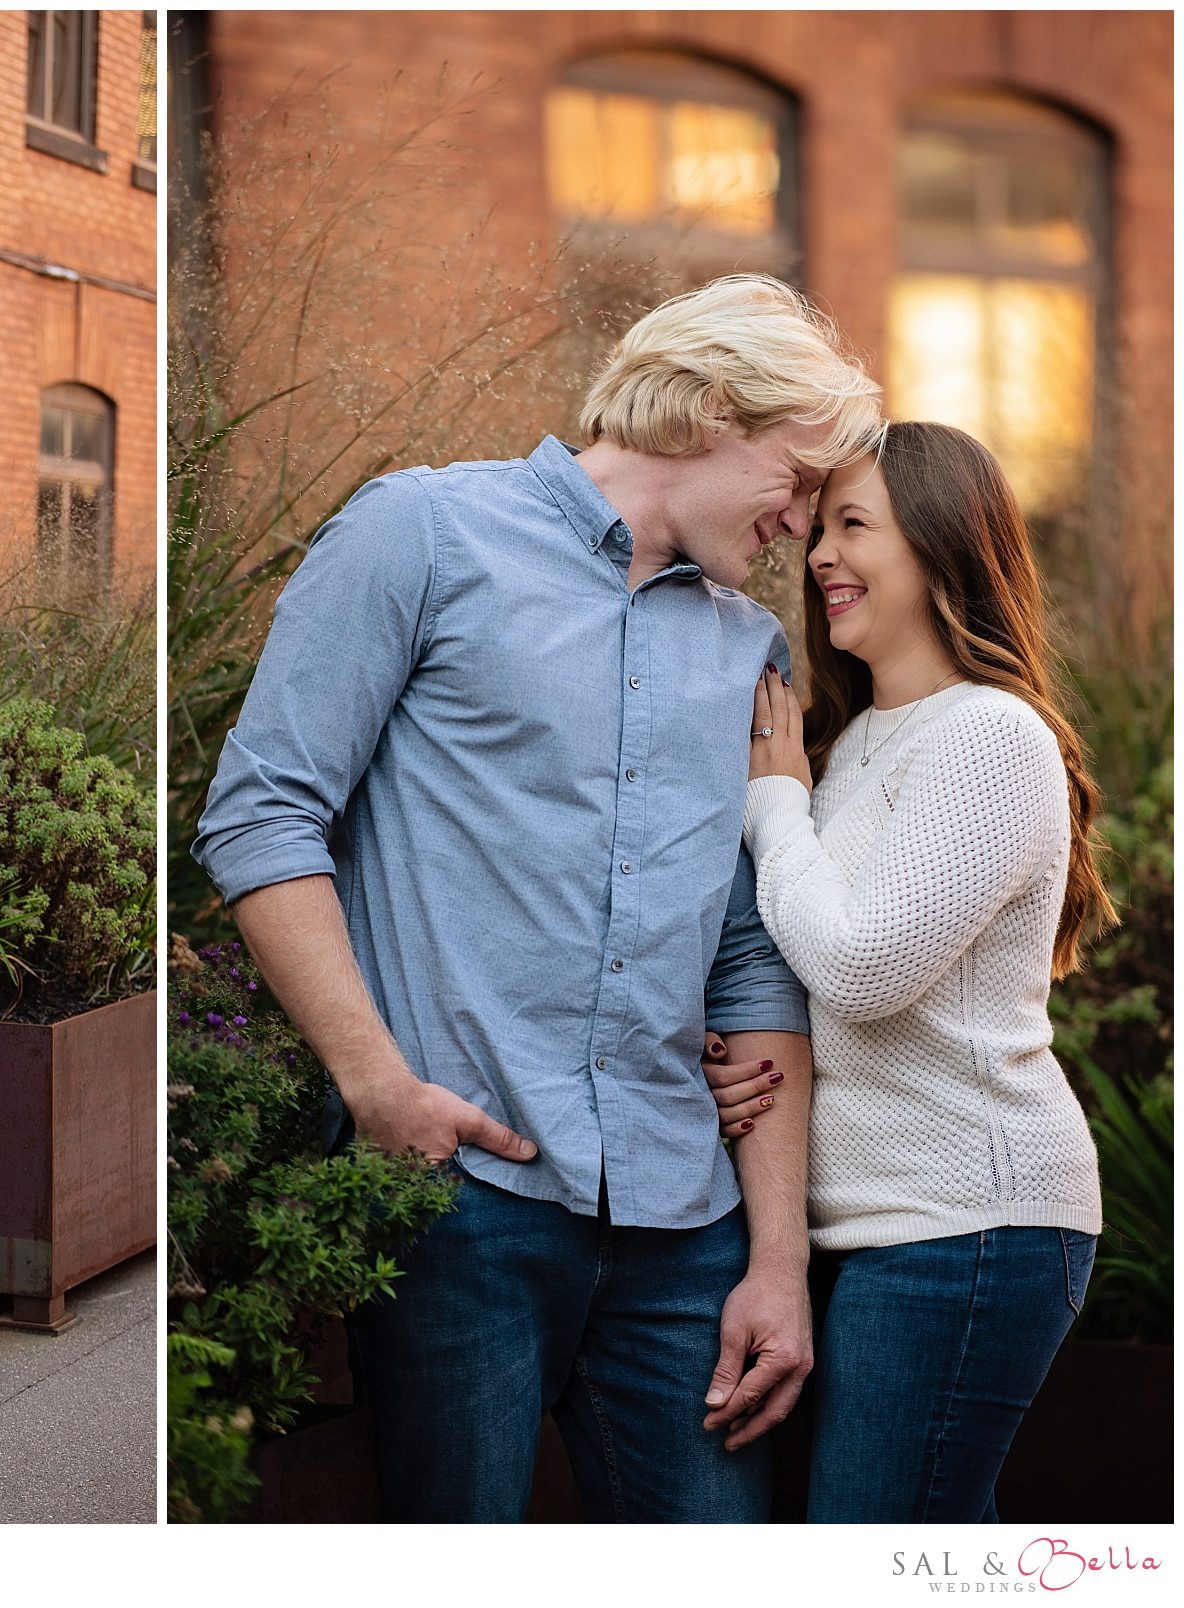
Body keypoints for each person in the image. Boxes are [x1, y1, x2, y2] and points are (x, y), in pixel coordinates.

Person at [192, 274, 886, 1522]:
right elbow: (261, 812)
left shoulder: (749, 651)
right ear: (712, 408)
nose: (802, 525)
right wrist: (374, 1086)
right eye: (795, 478)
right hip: (462, 1200)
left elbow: (747, 957)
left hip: (685, 1231)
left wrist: (776, 1260)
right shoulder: (419, 532)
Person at [730, 421, 1107, 1521]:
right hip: (870, 1228)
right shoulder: (848, 750)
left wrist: (771, 805)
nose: (818, 557)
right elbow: (806, 973)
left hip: (967, 1225)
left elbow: (856, 968)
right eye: (817, 529)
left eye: (854, 526)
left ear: (941, 545)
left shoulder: (988, 737)